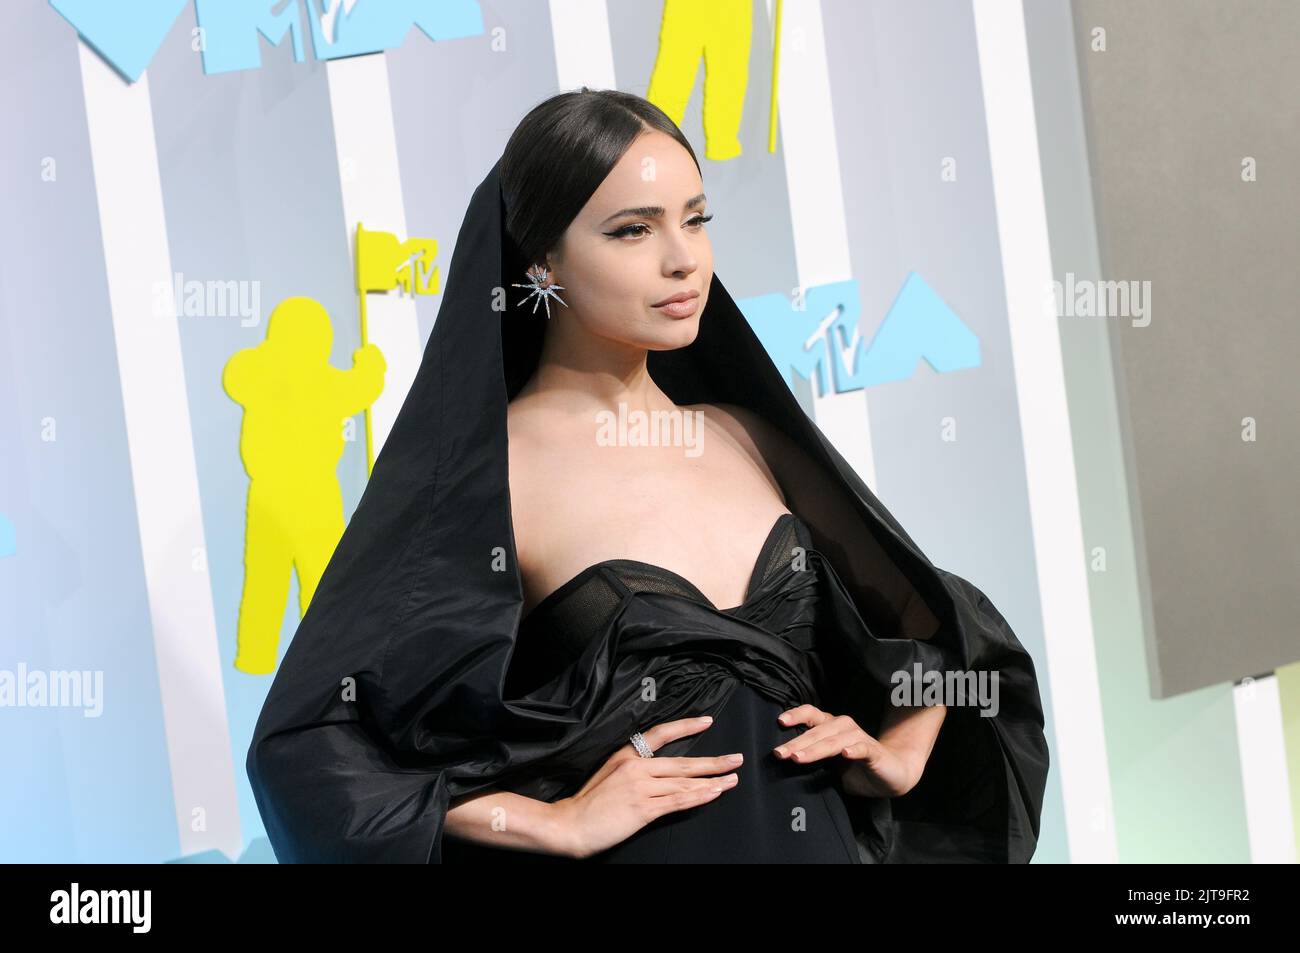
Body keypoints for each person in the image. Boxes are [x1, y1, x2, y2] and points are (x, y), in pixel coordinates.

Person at [246, 88, 1050, 864]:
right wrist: (550, 823)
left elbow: (943, 626)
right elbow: (313, 743)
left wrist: (901, 749)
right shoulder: (489, 478)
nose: (683, 259)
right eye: (633, 230)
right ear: (542, 261)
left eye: (696, 220)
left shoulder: (749, 437)